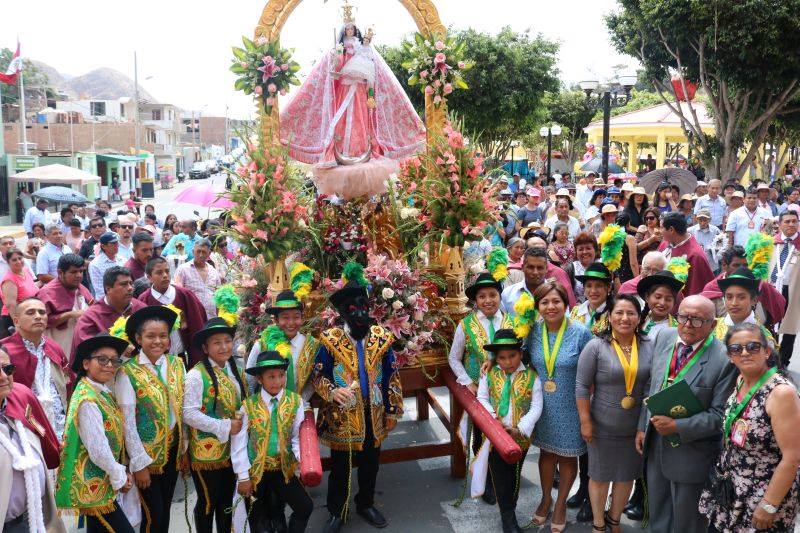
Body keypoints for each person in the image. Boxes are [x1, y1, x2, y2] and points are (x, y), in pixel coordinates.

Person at [635, 295, 737, 533]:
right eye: (683, 317)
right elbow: (651, 386)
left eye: (697, 320)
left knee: (687, 521)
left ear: (713, 325)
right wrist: (642, 426)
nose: (688, 324)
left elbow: (720, 416)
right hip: (655, 443)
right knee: (658, 513)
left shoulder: (724, 359)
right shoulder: (664, 336)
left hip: (692, 452)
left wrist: (678, 427)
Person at [313, 271, 402, 533]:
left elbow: (391, 376)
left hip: (373, 412)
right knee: (341, 467)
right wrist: (331, 392)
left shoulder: (381, 338)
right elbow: (319, 374)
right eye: (354, 310)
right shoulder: (330, 340)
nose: (361, 314)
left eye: (364, 308)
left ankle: (366, 503)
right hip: (342, 415)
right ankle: (337, 511)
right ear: (344, 314)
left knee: (371, 462)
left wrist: (392, 409)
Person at [280, 18, 425, 175]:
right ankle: (341, 150)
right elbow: (334, 73)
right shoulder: (339, 49)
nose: (350, 32)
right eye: (347, 29)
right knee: (341, 118)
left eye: (352, 29)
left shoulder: (362, 48)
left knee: (360, 118)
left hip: (360, 90)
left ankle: (360, 149)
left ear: (356, 31)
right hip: (344, 88)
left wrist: (370, 92)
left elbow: (371, 71)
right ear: (344, 31)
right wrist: (336, 60)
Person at [699, 323, 800, 532]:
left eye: (753, 347)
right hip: (731, 486)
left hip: (762, 493)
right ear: (730, 356)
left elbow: (793, 457)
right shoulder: (740, 380)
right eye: (736, 349)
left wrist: (769, 505)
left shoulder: (781, 393)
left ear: (767, 351)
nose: (744, 353)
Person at [576, 294, 653, 533]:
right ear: (609, 317)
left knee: (625, 476)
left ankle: (614, 519)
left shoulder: (648, 345)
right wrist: (585, 421)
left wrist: (643, 426)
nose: (625, 318)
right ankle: (599, 523)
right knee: (599, 476)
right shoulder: (596, 346)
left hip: (635, 426)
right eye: (619, 312)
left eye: (631, 313)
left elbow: (651, 386)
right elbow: (581, 385)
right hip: (602, 426)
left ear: (639, 318)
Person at [525, 281, 593, 531]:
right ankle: (545, 499)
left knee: (567, 457)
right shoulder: (532, 331)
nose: (550, 306)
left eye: (556, 301)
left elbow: (591, 371)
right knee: (545, 454)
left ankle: (561, 503)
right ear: (538, 306)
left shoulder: (581, 332)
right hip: (542, 404)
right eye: (545, 302)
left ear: (566, 304)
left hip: (571, 404)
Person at [115, 305, 186, 533]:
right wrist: (139, 464)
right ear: (138, 339)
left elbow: (181, 410)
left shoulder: (177, 365)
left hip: (173, 451)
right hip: (146, 458)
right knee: (152, 514)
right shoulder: (128, 372)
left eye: (163, 336)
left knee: (164, 509)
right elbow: (127, 422)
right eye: (150, 336)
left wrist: (184, 449)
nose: (158, 341)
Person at [56, 334, 135, 532]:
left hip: (100, 481)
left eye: (114, 360)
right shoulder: (88, 400)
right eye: (102, 359)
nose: (109, 365)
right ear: (85, 363)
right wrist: (120, 475)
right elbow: (98, 449)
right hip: (93, 486)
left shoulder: (97, 391)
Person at [232, 350, 313, 533]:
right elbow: (239, 444)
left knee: (304, 507)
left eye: (281, 376)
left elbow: (296, 437)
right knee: (259, 520)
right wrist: (243, 477)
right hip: (256, 472)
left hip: (282, 469)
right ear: (260, 379)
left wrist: (303, 464)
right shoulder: (248, 406)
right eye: (271, 377)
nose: (277, 381)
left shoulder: (295, 401)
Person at [475, 329, 543, 533]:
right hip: (495, 436)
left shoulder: (532, 377)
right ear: (496, 358)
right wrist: (493, 420)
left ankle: (509, 507)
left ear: (520, 354)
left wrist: (519, 428)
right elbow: (482, 398)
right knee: (500, 475)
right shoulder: (489, 374)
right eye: (502, 358)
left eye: (512, 356)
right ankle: (508, 517)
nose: (507, 362)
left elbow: (536, 406)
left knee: (514, 475)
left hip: (519, 438)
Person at [448, 272, 507, 504]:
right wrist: (467, 382)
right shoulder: (466, 325)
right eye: (482, 296)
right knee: (482, 437)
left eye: (493, 294)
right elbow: (454, 358)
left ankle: (505, 478)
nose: (488, 300)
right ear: (475, 300)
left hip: (506, 392)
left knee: (505, 433)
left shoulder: (511, 322)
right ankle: (487, 482)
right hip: (478, 394)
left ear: (500, 296)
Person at [184, 318, 246, 533]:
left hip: (232, 449)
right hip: (206, 455)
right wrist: (224, 426)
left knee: (226, 501)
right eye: (217, 342)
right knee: (208, 502)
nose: (224, 347)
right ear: (205, 347)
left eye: (228, 341)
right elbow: (188, 413)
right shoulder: (195, 375)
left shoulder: (233, 368)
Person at [0, 354, 65, 532]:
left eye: (7, 369)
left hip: (34, 515)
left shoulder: (21, 395)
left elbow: (45, 437)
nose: (4, 377)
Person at [1, 298, 70, 441]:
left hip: (61, 426)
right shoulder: (4, 352)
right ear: (16, 321)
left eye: (42, 312)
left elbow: (68, 384)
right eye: (30, 312)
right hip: (23, 428)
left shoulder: (54, 348)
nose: (38, 316)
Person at [246, 290, 320, 406]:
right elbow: (250, 379)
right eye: (285, 318)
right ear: (276, 320)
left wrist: (300, 402)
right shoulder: (262, 345)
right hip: (267, 407)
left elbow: (313, 379)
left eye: (296, 317)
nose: (291, 323)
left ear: (302, 318)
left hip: (299, 406)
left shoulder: (311, 345)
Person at [139, 256, 208, 367]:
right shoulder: (143, 300)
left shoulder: (185, 295)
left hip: (183, 356)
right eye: (159, 273)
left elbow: (199, 323)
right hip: (156, 360)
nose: (165, 275)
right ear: (149, 277)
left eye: (167, 271)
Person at [71, 266, 146, 361]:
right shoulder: (91, 317)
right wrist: (118, 347)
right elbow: (85, 349)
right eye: (124, 284)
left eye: (131, 283)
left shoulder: (141, 308)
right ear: (108, 289)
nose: (130, 288)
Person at [701, 246, 786, 327]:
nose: (741, 269)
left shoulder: (761, 286)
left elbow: (778, 305)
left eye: (745, 265)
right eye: (736, 265)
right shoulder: (711, 289)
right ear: (724, 266)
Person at [36, 254, 94, 363]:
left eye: (81, 271)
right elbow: (42, 322)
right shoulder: (46, 292)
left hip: (83, 339)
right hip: (60, 342)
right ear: (60, 273)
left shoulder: (80, 287)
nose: (78, 275)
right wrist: (70, 314)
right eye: (73, 272)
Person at [715, 267, 779, 349]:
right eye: (729, 297)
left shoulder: (764, 338)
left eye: (741, 297)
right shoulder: (712, 329)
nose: (734, 303)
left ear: (754, 300)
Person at [658, 211, 715, 297]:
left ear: (671, 230)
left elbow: (695, 292)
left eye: (661, 228)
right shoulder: (666, 242)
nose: (659, 231)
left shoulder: (695, 256)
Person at [174, 238, 222, 319]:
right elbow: (177, 295)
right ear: (193, 251)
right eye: (198, 251)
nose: (200, 255)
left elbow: (218, 297)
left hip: (211, 319)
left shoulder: (214, 272)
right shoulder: (183, 269)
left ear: (209, 253)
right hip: (192, 318)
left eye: (204, 252)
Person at [0, 248, 40, 336]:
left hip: (29, 313)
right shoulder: (9, 280)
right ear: (8, 262)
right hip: (14, 318)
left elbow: (32, 288)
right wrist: (17, 325)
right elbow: (11, 305)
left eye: (20, 258)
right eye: (14, 260)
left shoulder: (25, 271)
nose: (18, 261)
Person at [501, 247, 547, 316]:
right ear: (522, 268)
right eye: (531, 267)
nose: (535, 272)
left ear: (547, 269)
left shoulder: (557, 294)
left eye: (540, 268)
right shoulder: (507, 294)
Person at [637, 270, 683, 339]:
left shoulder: (674, 330)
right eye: (658, 297)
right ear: (647, 297)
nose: (662, 303)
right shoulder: (638, 319)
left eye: (668, 299)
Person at [570, 261, 612, 335]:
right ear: (584, 288)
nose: (593, 291)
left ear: (608, 287)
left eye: (598, 286)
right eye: (589, 286)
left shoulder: (614, 313)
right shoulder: (575, 312)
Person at [563, 232, 599, 304]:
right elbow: (565, 295)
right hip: (578, 312)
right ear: (576, 252)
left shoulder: (605, 265)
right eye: (580, 249)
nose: (584, 252)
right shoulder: (571, 269)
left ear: (595, 250)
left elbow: (617, 292)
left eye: (588, 248)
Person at [88, 232, 125, 299]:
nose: (117, 245)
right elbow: (100, 290)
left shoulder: (123, 259)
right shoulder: (95, 264)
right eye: (113, 243)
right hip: (106, 302)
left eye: (117, 242)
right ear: (104, 246)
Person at [688, 209, 721, 273]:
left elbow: (720, 247)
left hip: (712, 265)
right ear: (697, 219)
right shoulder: (690, 231)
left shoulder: (716, 230)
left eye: (705, 220)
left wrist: (714, 249)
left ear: (709, 220)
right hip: (695, 264)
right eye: (700, 220)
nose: (703, 223)